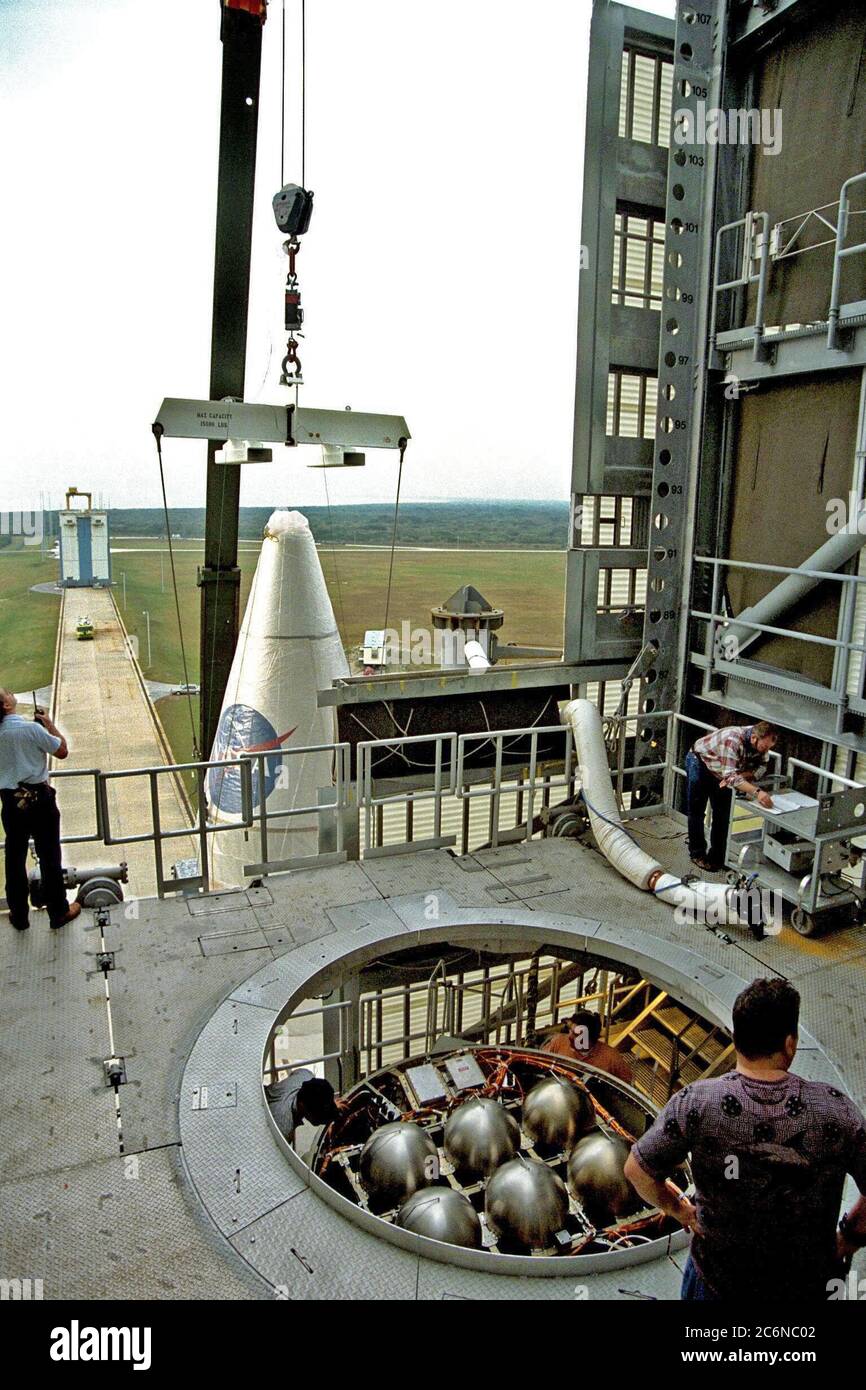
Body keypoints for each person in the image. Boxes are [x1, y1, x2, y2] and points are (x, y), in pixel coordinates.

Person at [623, 978, 866, 1301]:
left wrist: (678, 1208)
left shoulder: (695, 1103)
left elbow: (637, 1171)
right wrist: (849, 1236)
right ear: (790, 1043)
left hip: (716, 1280)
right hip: (805, 1282)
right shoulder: (834, 1110)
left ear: (735, 1038)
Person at [0, 688, 79, 931]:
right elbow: (62, 750)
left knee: (14, 859)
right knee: (49, 856)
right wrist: (49, 725)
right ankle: (58, 912)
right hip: (40, 800)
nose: (11, 694)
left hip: (11, 803)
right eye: (6, 694)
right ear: (6, 705)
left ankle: (20, 915)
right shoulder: (31, 729)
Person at [686, 720, 778, 871]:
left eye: (768, 748)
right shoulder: (733, 740)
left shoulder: (761, 743)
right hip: (701, 763)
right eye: (763, 747)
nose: (764, 751)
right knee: (696, 811)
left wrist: (744, 775)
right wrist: (757, 792)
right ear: (754, 738)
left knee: (722, 815)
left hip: (724, 772)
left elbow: (762, 766)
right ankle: (697, 853)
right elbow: (730, 777)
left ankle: (717, 857)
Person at [543, 1009, 634, 1085]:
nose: (570, 1037)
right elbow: (540, 1063)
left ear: (589, 1038)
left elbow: (628, 1084)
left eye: (576, 1035)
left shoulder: (611, 1058)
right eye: (570, 1030)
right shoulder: (558, 1042)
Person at [265, 1069, 340, 1146]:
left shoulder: (305, 1075)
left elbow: (298, 1072)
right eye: (319, 1114)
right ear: (302, 1106)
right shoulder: (282, 1129)